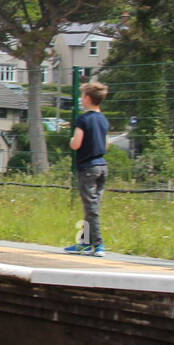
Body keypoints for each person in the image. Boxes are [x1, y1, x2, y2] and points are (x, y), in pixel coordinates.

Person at [64, 81, 109, 256]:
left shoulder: (83, 119)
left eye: (83, 96)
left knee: (91, 208)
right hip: (102, 166)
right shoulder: (104, 119)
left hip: (88, 167)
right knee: (92, 206)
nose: (81, 99)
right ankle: (84, 242)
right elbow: (105, 144)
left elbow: (76, 144)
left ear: (88, 98)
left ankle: (98, 244)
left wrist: (70, 142)